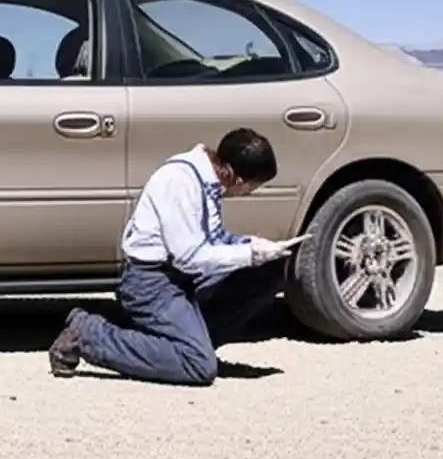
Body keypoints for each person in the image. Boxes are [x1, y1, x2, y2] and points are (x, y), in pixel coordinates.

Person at [47, 127, 298, 386]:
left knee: (270, 269)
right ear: (236, 179)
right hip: (153, 282)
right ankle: (88, 334)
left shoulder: (207, 182)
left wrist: (254, 245)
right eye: (251, 188)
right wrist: (248, 254)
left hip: (181, 278)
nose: (248, 194)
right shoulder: (181, 182)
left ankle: (193, 344)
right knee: (199, 367)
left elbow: (210, 240)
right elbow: (189, 256)